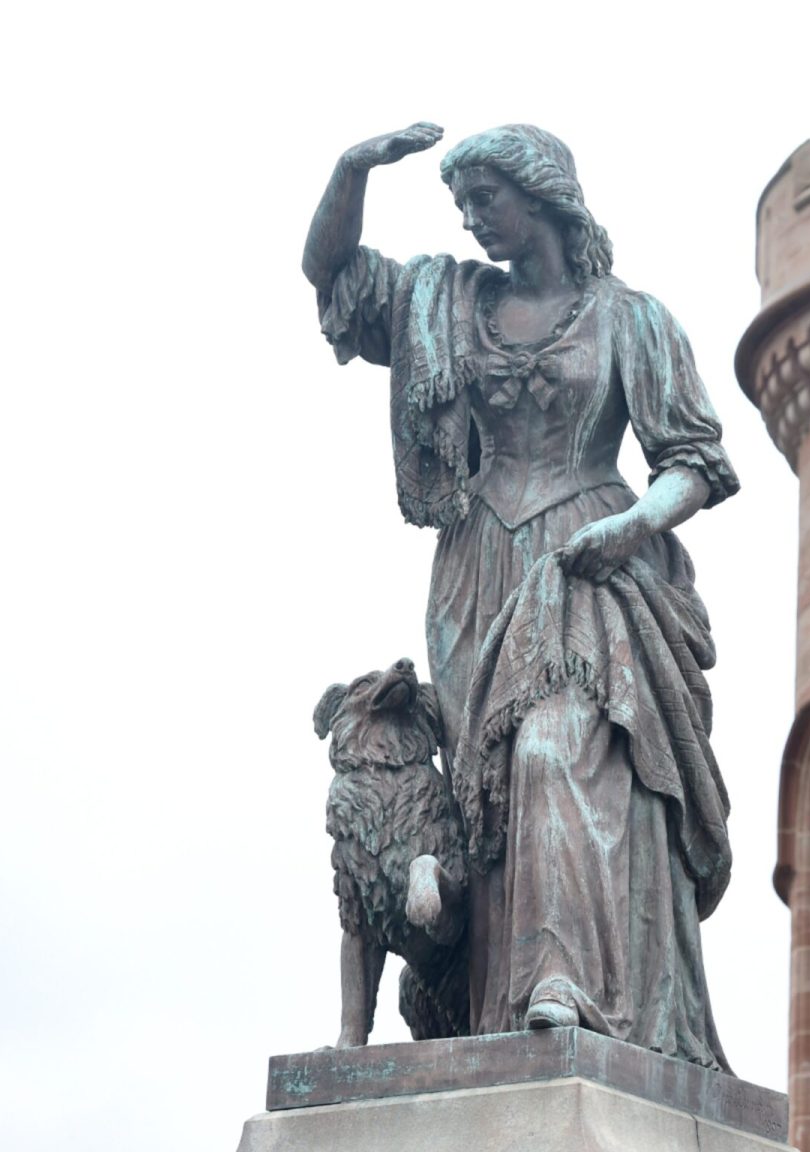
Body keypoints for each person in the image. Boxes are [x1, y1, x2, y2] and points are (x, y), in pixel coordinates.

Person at [301, 122, 735, 1070]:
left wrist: (632, 528)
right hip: (473, 570)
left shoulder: (632, 320)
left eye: (485, 200)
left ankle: (566, 984)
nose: (472, 221)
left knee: (554, 751)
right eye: (461, 207)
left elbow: (694, 463)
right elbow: (330, 273)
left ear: (541, 197)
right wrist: (350, 172)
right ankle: (497, 1013)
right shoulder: (445, 301)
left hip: (590, 565)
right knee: (486, 803)